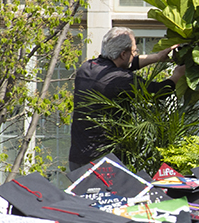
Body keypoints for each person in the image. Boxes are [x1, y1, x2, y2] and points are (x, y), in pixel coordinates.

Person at [68, 28, 184, 170]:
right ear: (123, 54)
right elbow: (158, 92)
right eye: (134, 51)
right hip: (103, 162)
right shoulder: (119, 79)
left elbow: (128, 64)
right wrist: (177, 76)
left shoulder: (87, 68)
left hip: (78, 157)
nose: (135, 54)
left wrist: (157, 57)